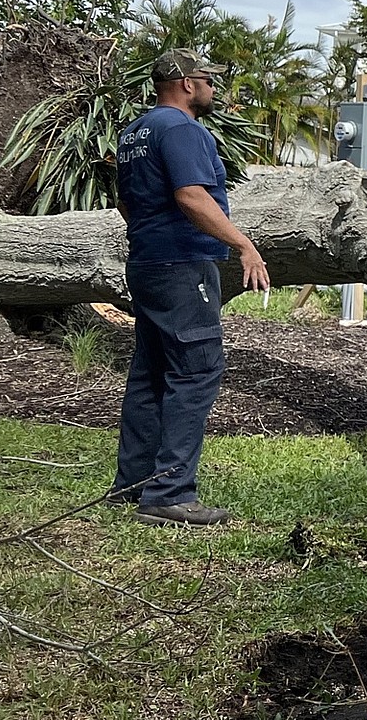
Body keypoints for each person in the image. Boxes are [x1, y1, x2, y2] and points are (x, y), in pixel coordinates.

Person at [106, 50, 269, 526]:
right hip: (183, 266)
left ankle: (132, 484)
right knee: (196, 370)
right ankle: (170, 492)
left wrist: (151, 239)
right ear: (184, 83)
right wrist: (244, 245)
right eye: (208, 81)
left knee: (151, 374)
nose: (214, 90)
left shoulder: (135, 132)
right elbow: (191, 195)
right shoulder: (182, 130)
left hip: (149, 263)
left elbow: (126, 202)